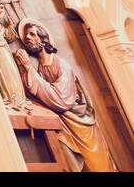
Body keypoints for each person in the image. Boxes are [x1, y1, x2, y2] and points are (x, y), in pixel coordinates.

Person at [13, 19, 117, 171]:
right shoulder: (42, 67)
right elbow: (39, 91)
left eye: (32, 34)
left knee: (96, 163)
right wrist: (26, 69)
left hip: (80, 123)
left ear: (43, 39)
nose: (28, 38)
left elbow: (61, 99)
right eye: (26, 35)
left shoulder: (61, 65)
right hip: (65, 123)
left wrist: (29, 68)